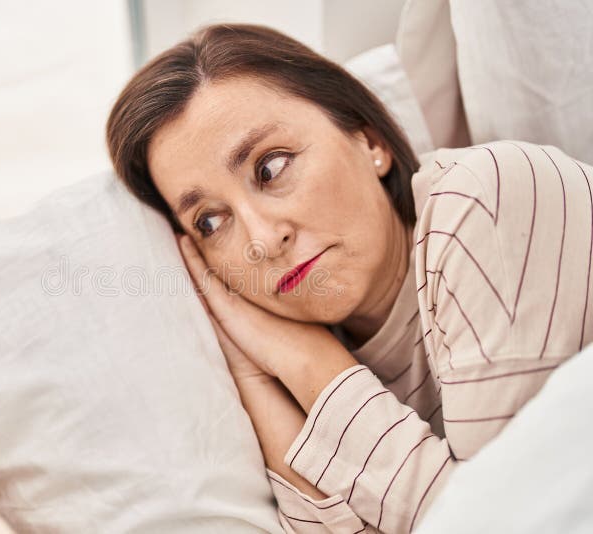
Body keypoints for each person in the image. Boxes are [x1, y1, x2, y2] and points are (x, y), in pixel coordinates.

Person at [105, 23, 593, 533]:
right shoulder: (306, 348)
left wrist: (309, 364)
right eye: (210, 220)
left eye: (271, 168)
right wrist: (253, 370)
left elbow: (500, 524)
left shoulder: (486, 199)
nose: (262, 240)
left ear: (369, 139)